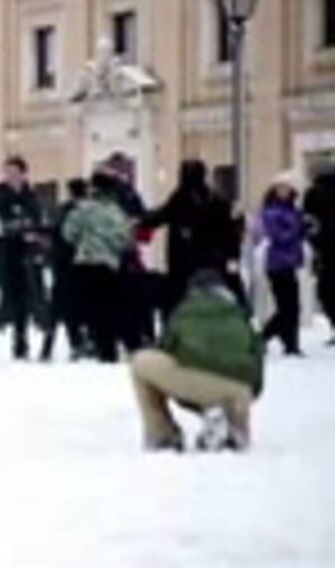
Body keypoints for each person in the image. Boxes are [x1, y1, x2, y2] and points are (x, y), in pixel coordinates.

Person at [129, 270, 263, 452]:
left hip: (198, 385)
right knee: (229, 390)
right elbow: (258, 363)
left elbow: (165, 348)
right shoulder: (242, 317)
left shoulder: (184, 311)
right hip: (241, 392)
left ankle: (163, 434)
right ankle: (234, 427)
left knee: (141, 363)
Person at [142, 159, 243, 313]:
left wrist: (137, 220)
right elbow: (230, 232)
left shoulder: (180, 199)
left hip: (183, 265)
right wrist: (231, 256)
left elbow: (159, 216)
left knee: (179, 306)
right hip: (212, 263)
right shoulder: (216, 200)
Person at [63, 173, 135, 363]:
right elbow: (127, 241)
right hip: (108, 267)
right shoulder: (117, 213)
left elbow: (68, 234)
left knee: (80, 308)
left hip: (84, 265)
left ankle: (84, 340)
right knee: (107, 312)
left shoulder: (82, 210)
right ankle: (107, 350)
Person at [0, 156, 44, 359]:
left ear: (23, 173)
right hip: (0, 253)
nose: (10, 176)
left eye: (14, 172)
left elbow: (38, 219)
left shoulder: (31, 195)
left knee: (23, 297)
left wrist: (33, 232)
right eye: (7, 172)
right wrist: (11, 227)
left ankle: (21, 339)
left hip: (25, 253)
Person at [256, 173, 307, 357]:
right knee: (287, 307)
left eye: (286, 188)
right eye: (280, 188)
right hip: (277, 264)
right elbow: (278, 236)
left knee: (292, 307)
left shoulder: (293, 210)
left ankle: (291, 343)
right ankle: (264, 337)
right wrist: (297, 229)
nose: (284, 192)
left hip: (290, 262)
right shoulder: (271, 212)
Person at [40, 178, 89, 362]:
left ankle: (49, 346)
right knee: (73, 306)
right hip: (81, 264)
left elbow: (56, 232)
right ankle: (76, 342)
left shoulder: (65, 211)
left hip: (62, 263)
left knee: (58, 306)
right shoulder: (88, 211)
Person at [306, 167, 335, 344]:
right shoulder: (314, 195)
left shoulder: (313, 194)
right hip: (325, 249)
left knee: (326, 292)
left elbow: (309, 221)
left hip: (323, 250)